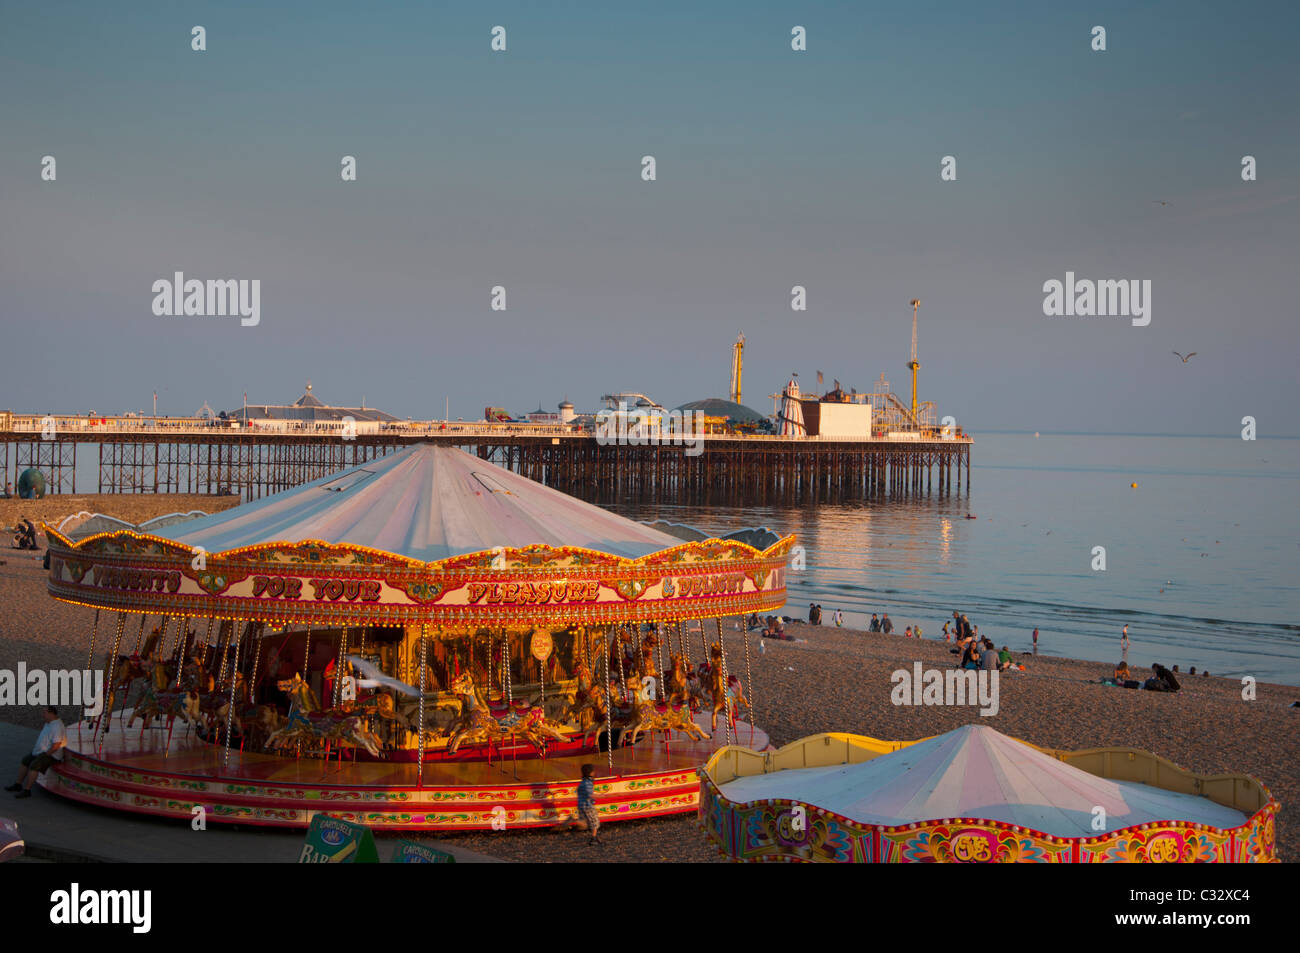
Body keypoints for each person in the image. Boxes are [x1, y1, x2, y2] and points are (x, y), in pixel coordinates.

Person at [7, 707, 65, 798]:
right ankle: (18, 785)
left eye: (44, 713)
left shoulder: (57, 726)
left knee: (34, 766)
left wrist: (45, 755)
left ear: (51, 714)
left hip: (51, 754)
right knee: (25, 760)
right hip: (40, 751)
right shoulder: (49, 723)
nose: (43, 715)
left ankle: (27, 790)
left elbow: (56, 745)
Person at [576, 763, 601, 844]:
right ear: (591, 773)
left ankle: (577, 821)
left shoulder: (582, 782)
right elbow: (589, 793)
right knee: (595, 822)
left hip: (580, 805)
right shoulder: (588, 782)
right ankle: (593, 838)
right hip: (588, 805)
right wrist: (600, 796)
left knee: (587, 822)